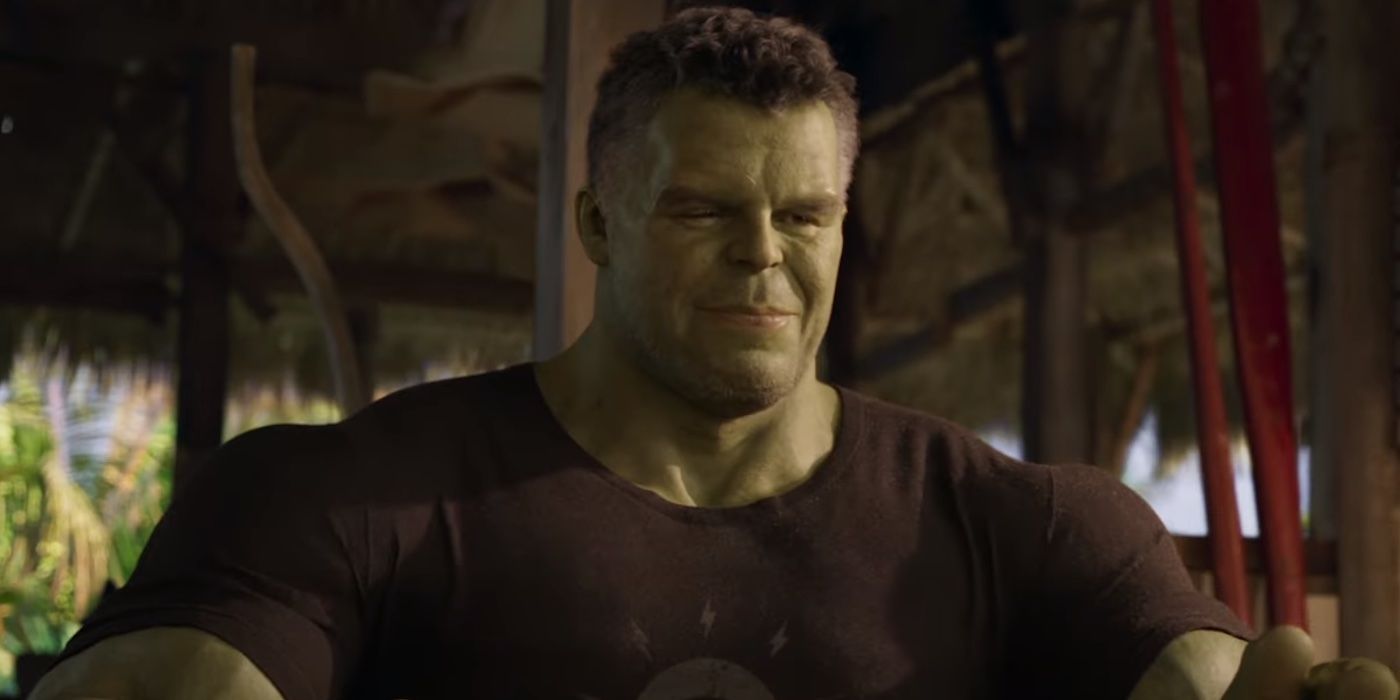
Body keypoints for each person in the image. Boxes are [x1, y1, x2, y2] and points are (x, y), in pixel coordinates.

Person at [32, 7, 1399, 700]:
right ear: (596, 223)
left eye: (804, 215)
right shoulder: (344, 500)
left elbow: (1189, 672)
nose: (763, 254)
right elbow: (189, 670)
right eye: (702, 211)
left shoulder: (1025, 525)